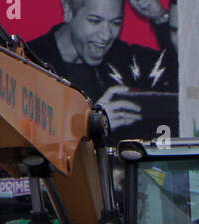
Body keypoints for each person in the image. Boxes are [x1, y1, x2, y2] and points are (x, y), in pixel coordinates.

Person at [26, 0, 177, 141]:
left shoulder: (121, 57)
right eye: (95, 21)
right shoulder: (29, 61)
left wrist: (160, 18)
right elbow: (26, 146)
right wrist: (90, 126)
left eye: (116, 23)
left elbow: (177, 77)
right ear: (68, 11)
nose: (106, 35)